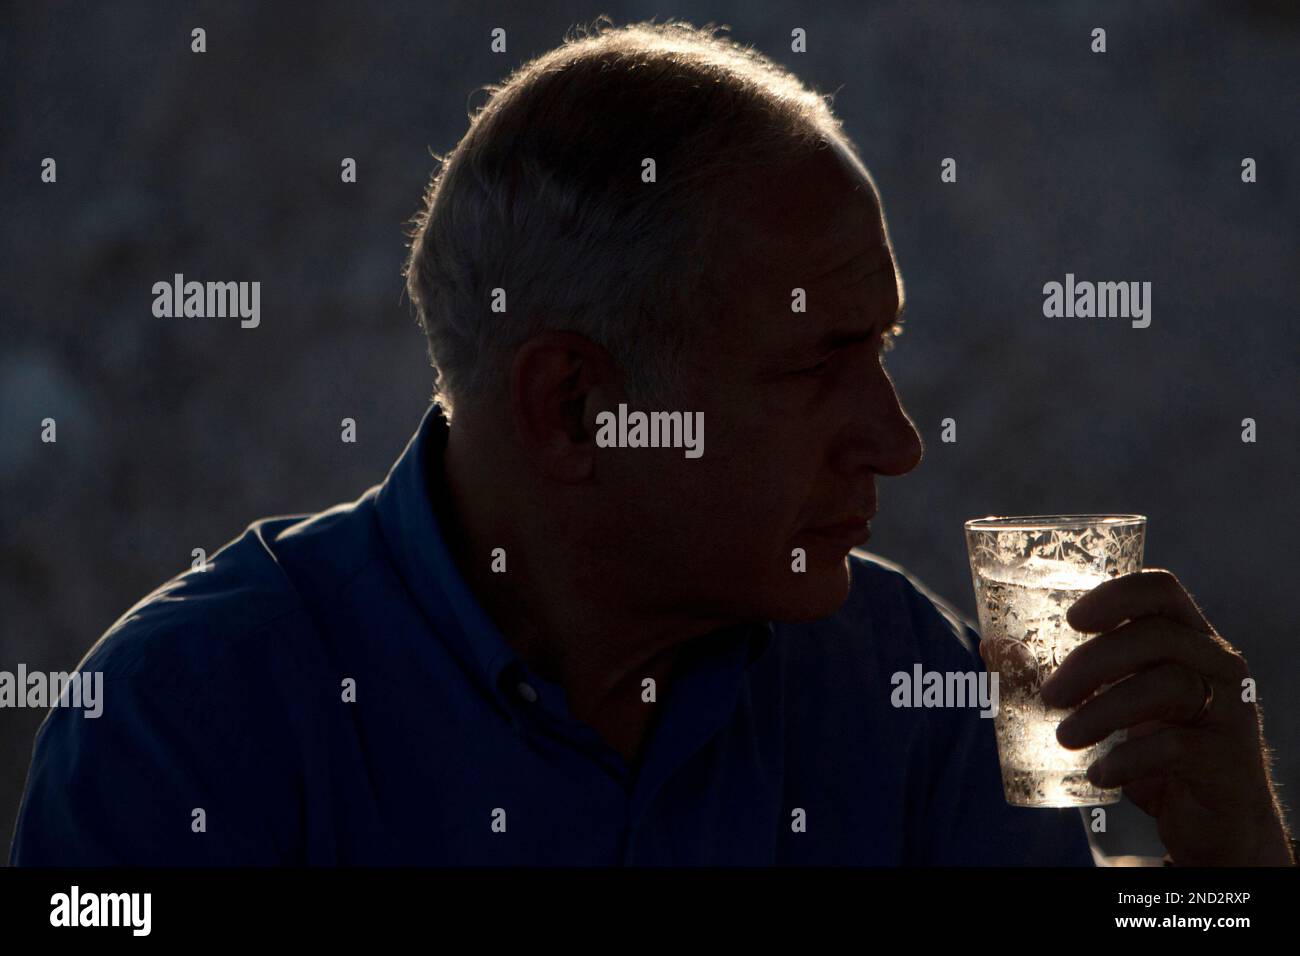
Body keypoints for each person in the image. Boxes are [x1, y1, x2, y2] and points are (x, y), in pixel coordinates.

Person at [10, 19, 1293, 866]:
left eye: (884, 350)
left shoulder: (898, 679)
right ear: (573, 405)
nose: (898, 442)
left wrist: (1228, 863)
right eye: (816, 365)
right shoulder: (180, 727)